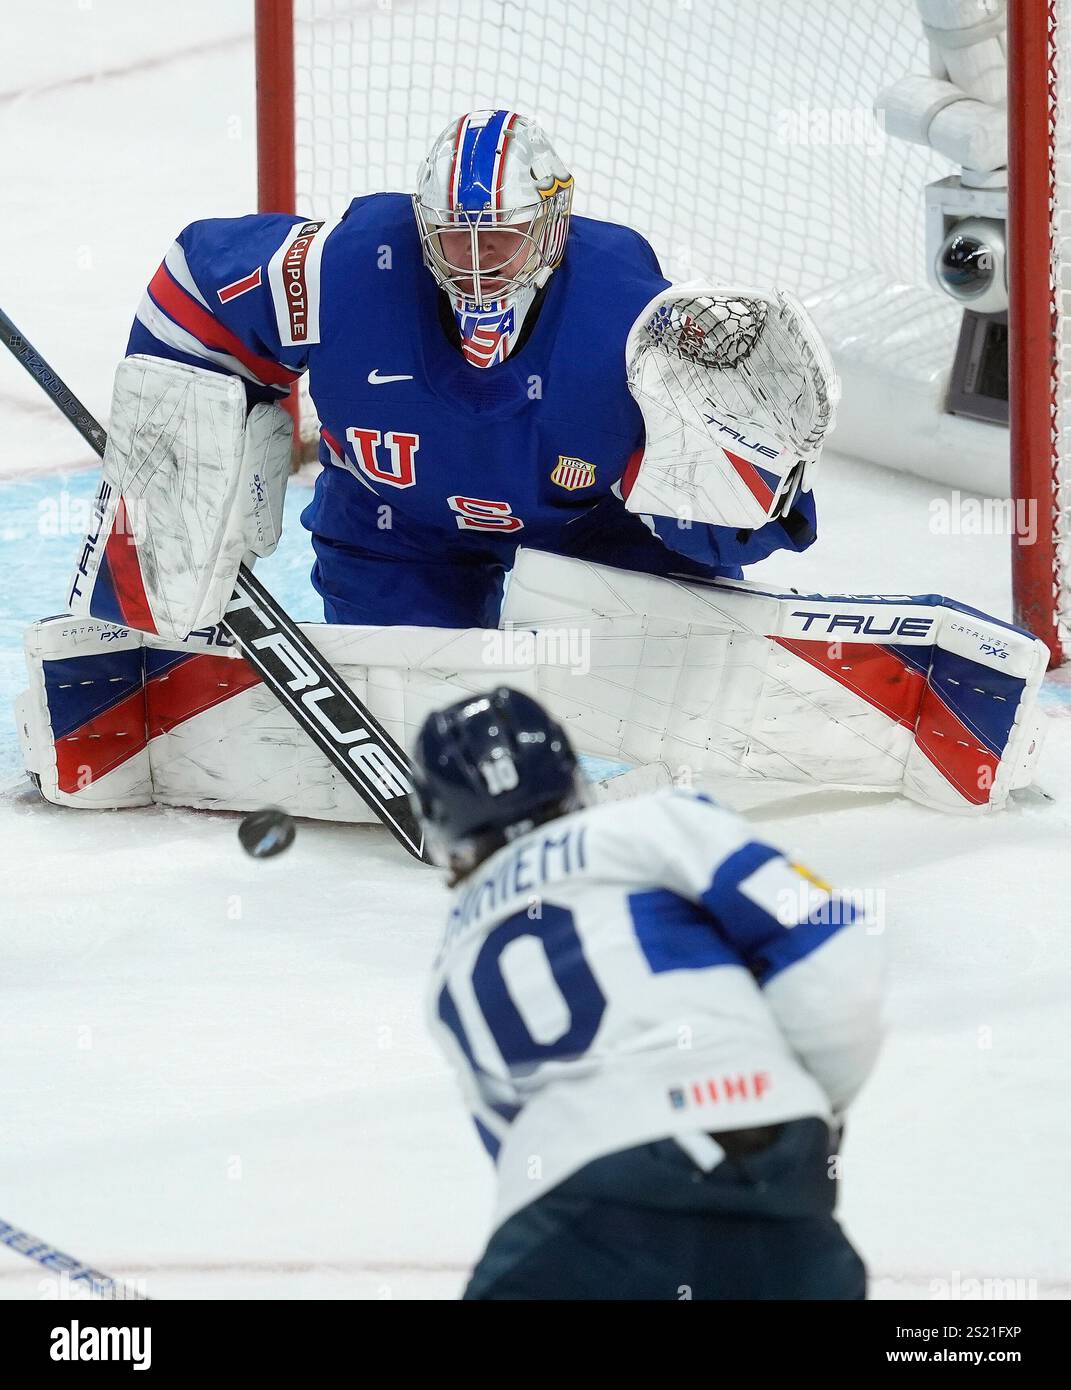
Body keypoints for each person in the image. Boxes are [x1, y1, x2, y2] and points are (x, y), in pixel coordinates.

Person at [122, 108, 818, 628]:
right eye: (457, 241)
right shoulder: (347, 269)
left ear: (550, 225)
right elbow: (194, 283)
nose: (478, 265)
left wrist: (727, 494)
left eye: (502, 241)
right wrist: (190, 473)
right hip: (397, 535)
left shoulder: (632, 315)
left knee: (694, 655)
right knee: (409, 721)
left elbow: (740, 525)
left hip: (590, 531)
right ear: (423, 228)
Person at [411, 686, 884, 1300]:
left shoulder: (452, 963)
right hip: (777, 1179)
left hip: (579, 1216)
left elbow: (517, 1152)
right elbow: (829, 951)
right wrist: (792, 1110)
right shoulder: (655, 822)